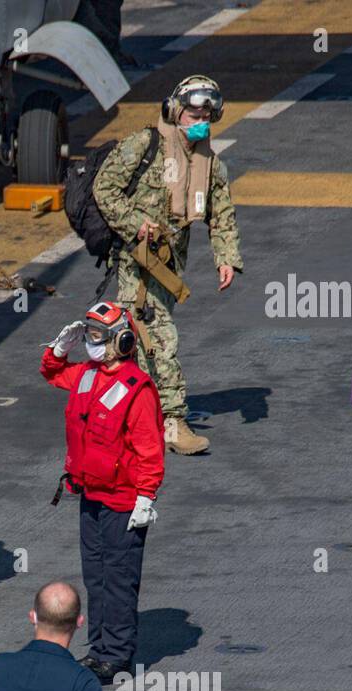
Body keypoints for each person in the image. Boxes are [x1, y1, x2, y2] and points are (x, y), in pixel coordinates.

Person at [92, 75, 242, 455]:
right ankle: (173, 422)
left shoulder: (209, 164)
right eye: (193, 114)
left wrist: (226, 259)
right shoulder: (145, 145)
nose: (200, 121)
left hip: (170, 265)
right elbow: (103, 187)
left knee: (138, 344)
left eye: (207, 115)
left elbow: (221, 215)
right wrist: (134, 224)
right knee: (159, 336)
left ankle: (122, 418)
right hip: (135, 261)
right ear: (176, 110)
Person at [42, 301, 164, 683]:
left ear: (121, 341)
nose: (91, 343)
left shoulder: (137, 389)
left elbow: (149, 448)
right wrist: (59, 348)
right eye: (89, 335)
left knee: (118, 578)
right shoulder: (87, 376)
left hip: (123, 502)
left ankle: (117, 655)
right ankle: (98, 649)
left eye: (98, 336)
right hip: (91, 496)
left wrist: (146, 496)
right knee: (95, 577)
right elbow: (52, 372)